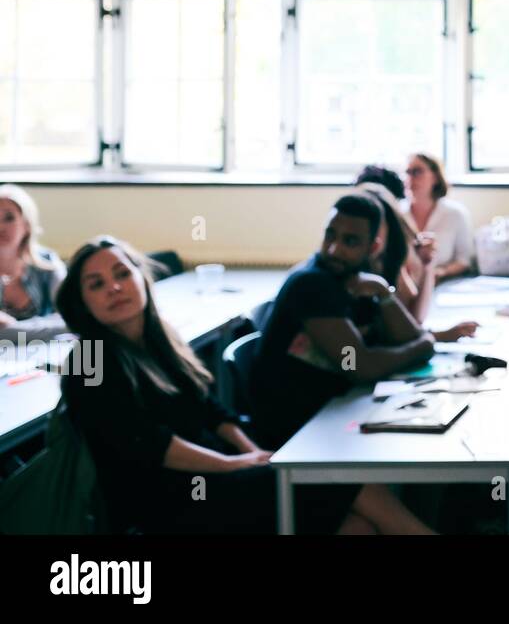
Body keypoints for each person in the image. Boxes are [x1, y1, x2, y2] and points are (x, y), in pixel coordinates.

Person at [57, 236, 424, 534]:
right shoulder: (90, 358)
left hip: (214, 474)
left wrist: (250, 452)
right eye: (97, 284)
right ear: (82, 301)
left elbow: (210, 409)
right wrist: (233, 465)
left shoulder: (157, 340)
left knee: (356, 526)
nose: (115, 288)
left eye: (122, 273)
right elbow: (148, 446)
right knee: (338, 479)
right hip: (170, 500)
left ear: (141, 278)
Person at [250, 192, 444, 450]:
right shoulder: (312, 283)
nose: (334, 249)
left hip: (336, 413)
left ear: (372, 248)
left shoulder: (359, 281)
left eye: (350, 241)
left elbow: (407, 337)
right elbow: (360, 366)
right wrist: (424, 346)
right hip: (295, 434)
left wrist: (384, 293)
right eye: (330, 235)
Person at [354, 177, 477, 338]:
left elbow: (414, 317)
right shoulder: (352, 271)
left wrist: (428, 266)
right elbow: (372, 345)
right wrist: (438, 337)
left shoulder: (390, 260)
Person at [0, 184, 67, 343]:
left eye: (9, 218)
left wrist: (14, 328)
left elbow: (74, 319)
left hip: (46, 360)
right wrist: (44, 328)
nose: (0, 226)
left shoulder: (48, 263)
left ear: (27, 225)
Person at [403, 153, 473, 281]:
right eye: (408, 172)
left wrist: (440, 272)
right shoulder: (397, 213)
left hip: (442, 284)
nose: (411, 177)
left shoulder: (455, 214)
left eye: (418, 172)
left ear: (435, 177)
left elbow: (464, 261)